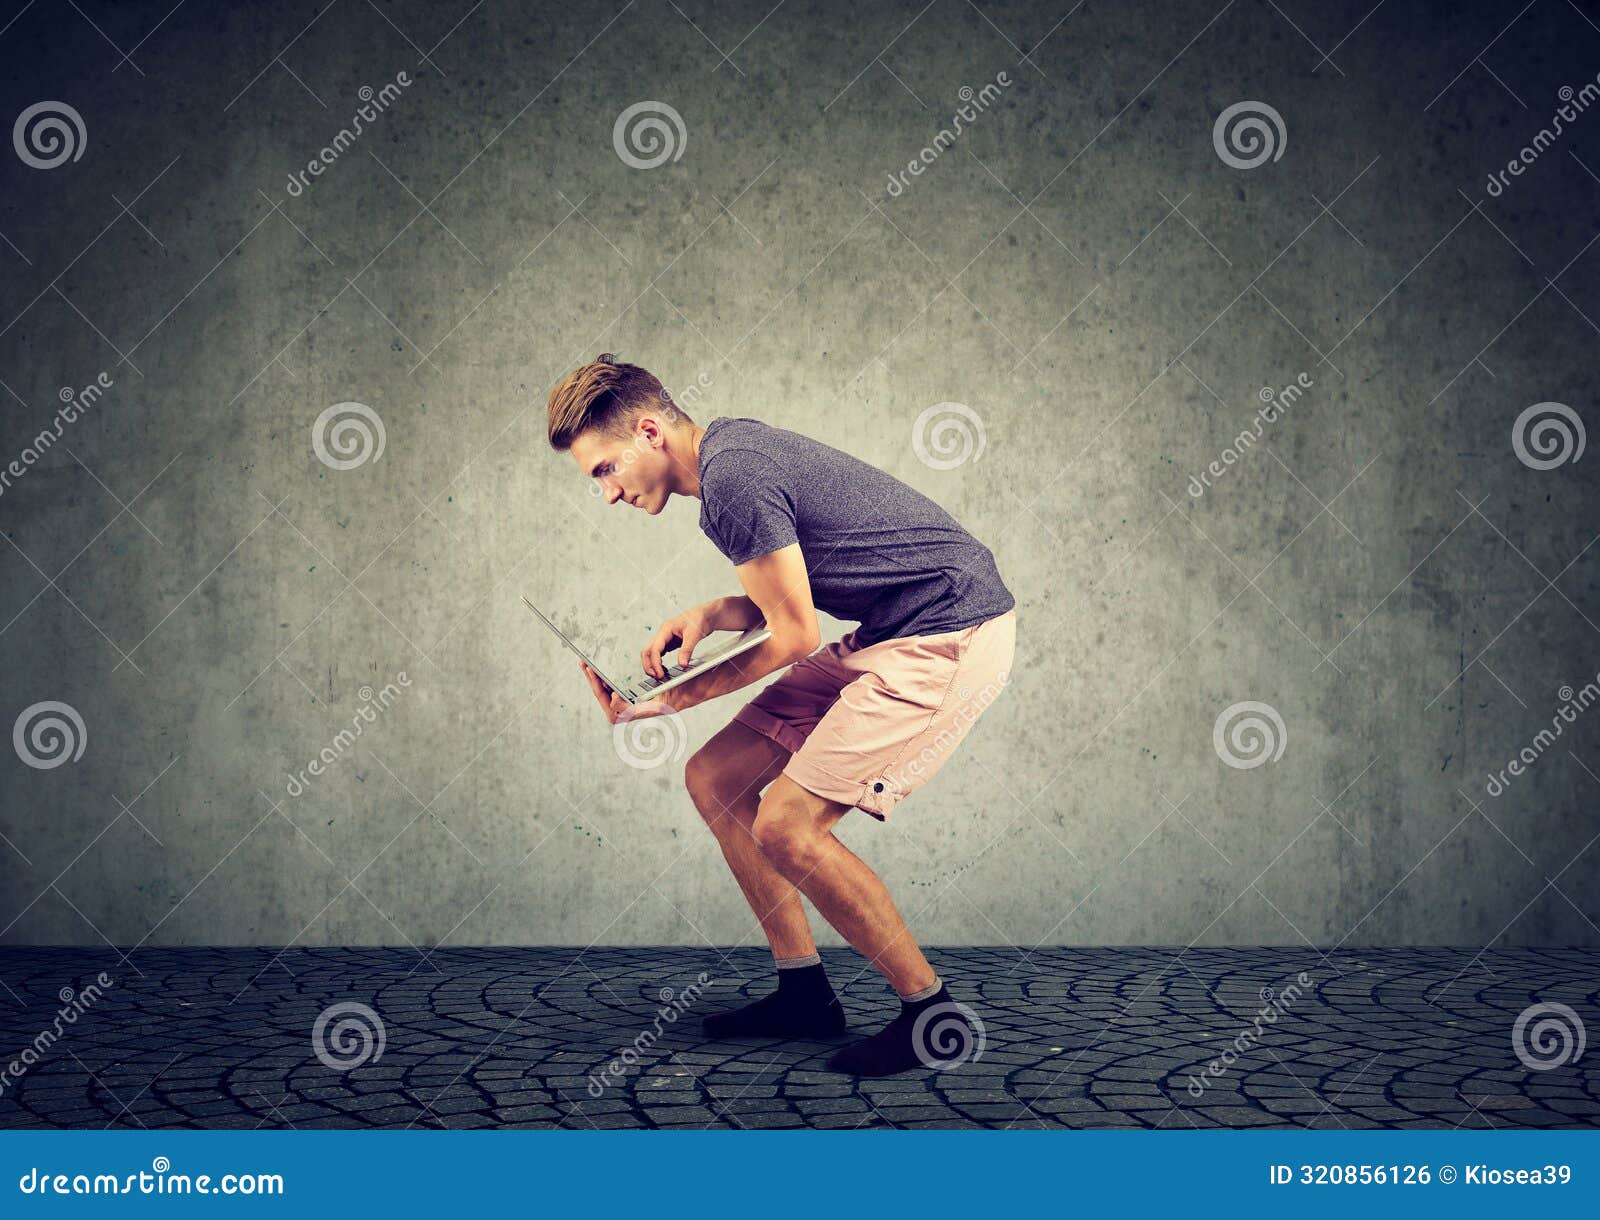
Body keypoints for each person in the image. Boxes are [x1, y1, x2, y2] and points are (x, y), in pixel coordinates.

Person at [545, 354, 1016, 1077]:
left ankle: (931, 1016)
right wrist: (711, 612)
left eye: (604, 469)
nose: (605, 494)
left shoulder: (732, 478)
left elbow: (793, 637)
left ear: (647, 432)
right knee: (717, 778)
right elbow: (786, 600)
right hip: (891, 627)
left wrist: (668, 700)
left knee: (787, 825)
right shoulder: (728, 455)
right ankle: (803, 992)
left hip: (949, 631)